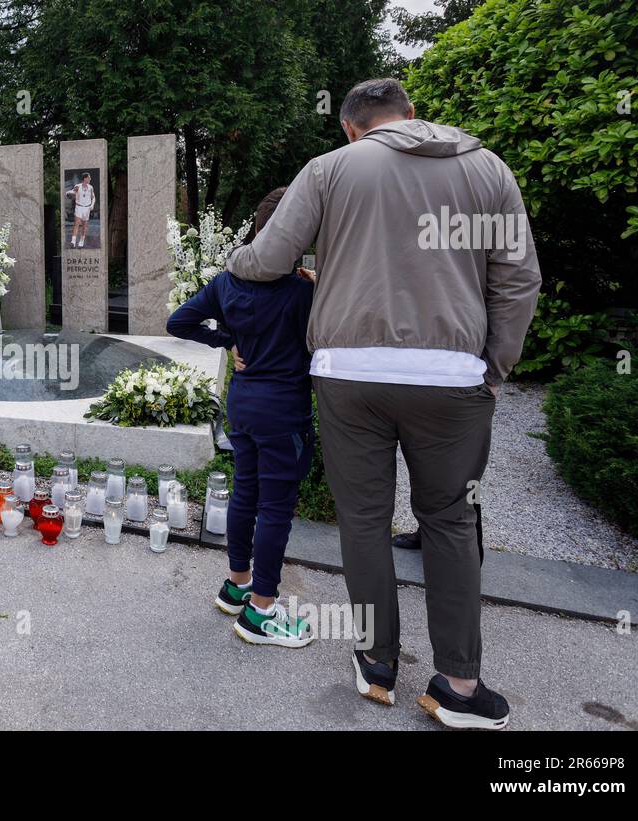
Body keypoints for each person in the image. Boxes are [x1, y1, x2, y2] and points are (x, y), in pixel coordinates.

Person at [225, 78, 541, 729]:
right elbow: (518, 279)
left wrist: (234, 259)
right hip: (452, 376)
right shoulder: (486, 168)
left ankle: (376, 663)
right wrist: (493, 368)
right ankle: (458, 686)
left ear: (350, 127)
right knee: (451, 521)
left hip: (349, 372)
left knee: (362, 521)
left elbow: (270, 259)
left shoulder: (330, 170)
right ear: (412, 117)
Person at [167, 188, 316, 648]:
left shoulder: (226, 282)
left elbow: (179, 322)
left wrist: (226, 339)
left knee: (245, 494)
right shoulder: (300, 292)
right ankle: (262, 612)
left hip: (244, 405)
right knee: (275, 508)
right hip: (282, 410)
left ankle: (238, 585)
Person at [65, 172, 96, 248]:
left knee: (84, 225)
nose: (90, 179)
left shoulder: (90, 187)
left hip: (87, 208)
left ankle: (81, 241)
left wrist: (92, 205)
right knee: (77, 223)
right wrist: (68, 192)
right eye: (89, 177)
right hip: (79, 207)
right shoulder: (77, 186)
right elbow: (73, 191)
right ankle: (73, 241)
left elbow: (93, 197)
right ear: (85, 178)